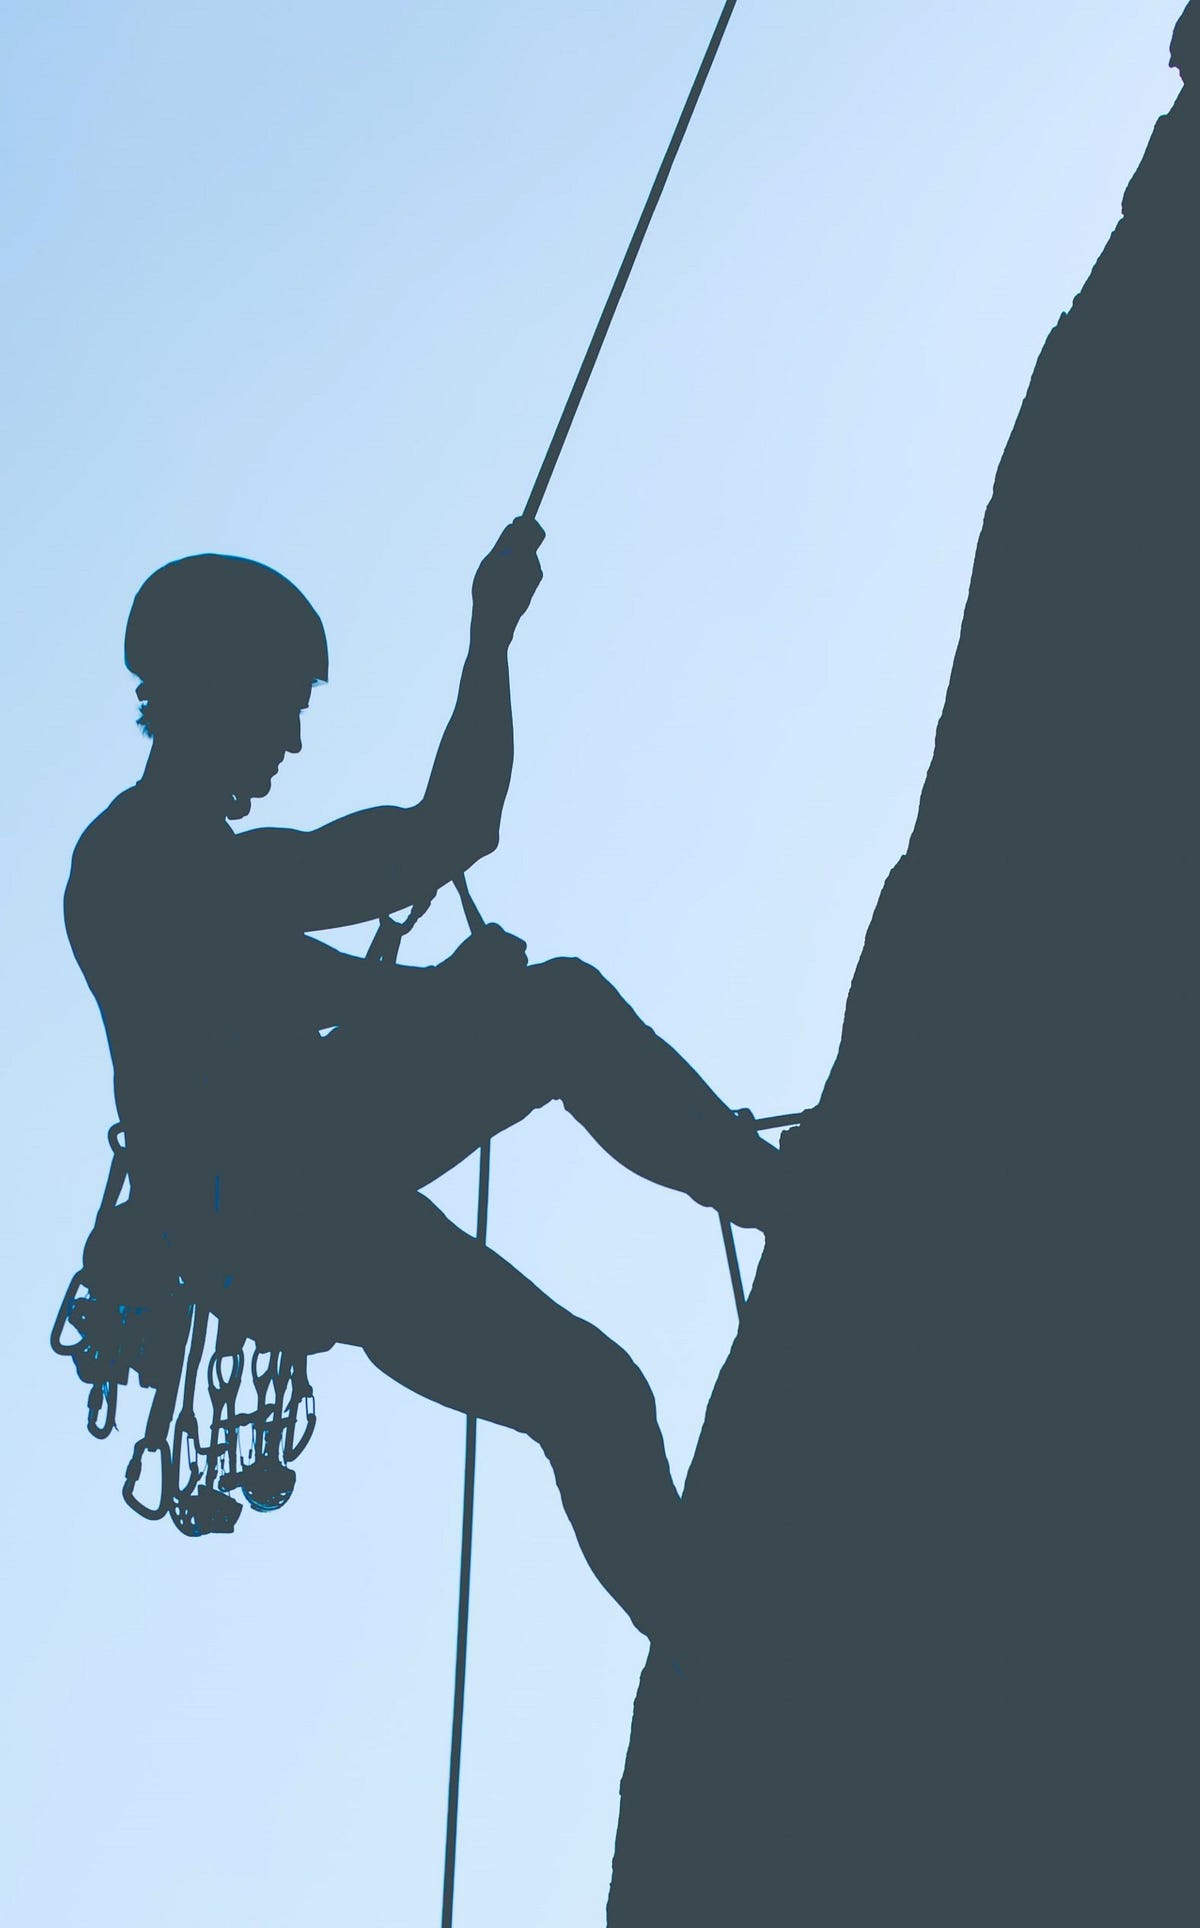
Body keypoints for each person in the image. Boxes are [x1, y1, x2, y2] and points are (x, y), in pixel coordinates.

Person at [64, 518, 792, 1642]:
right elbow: (262, 978)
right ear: (212, 690)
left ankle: (761, 1200)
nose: (291, 740)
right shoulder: (125, 864)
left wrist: (490, 632)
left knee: (592, 1384)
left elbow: (453, 829)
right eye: (279, 704)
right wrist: (435, 997)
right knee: (590, 1381)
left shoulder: (235, 866)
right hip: (270, 1205)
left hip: (308, 1186)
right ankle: (715, 1635)